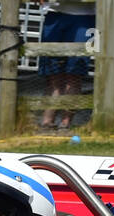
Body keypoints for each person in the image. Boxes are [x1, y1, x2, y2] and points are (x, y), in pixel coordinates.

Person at [39, 1, 96, 132]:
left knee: (75, 73)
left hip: (86, 17)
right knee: (52, 73)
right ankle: (47, 122)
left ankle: (65, 124)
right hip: (54, 14)